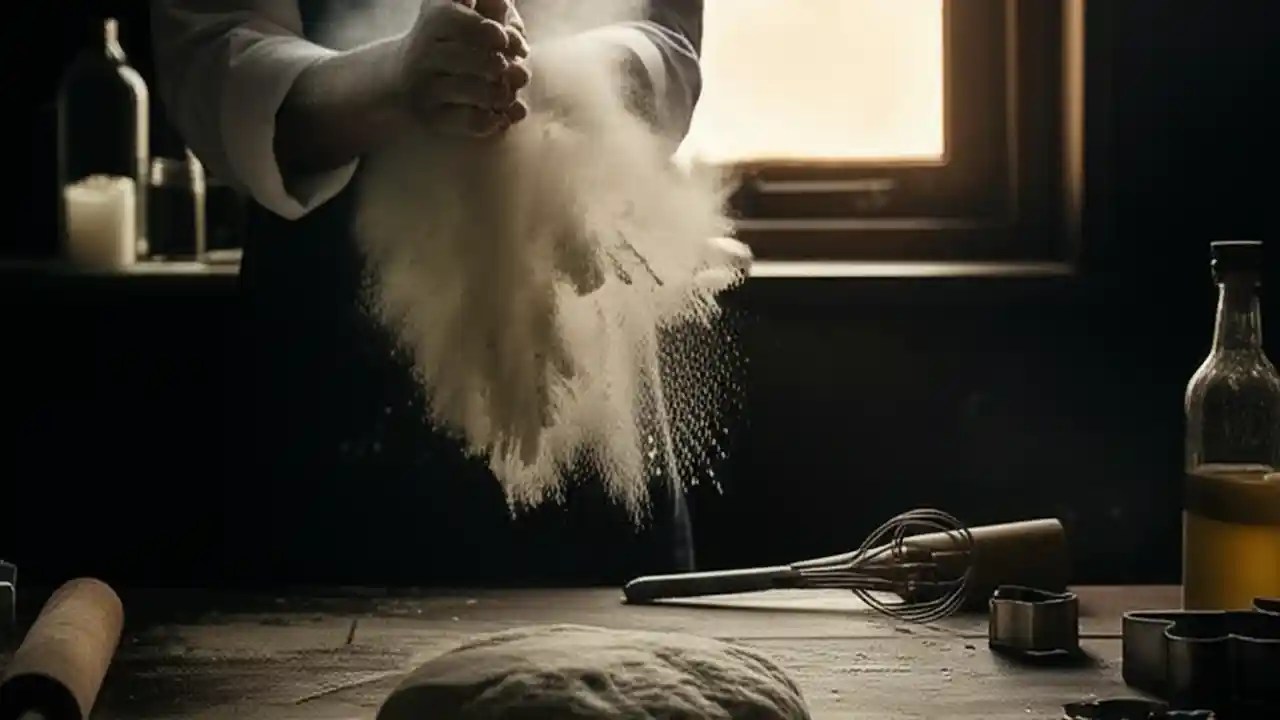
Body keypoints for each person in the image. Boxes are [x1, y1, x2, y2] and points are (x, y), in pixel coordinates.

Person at [148, 0, 705, 587]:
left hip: (597, 387)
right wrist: (391, 80)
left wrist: (527, 74)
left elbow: (668, 47)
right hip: (333, 398)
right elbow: (213, 56)